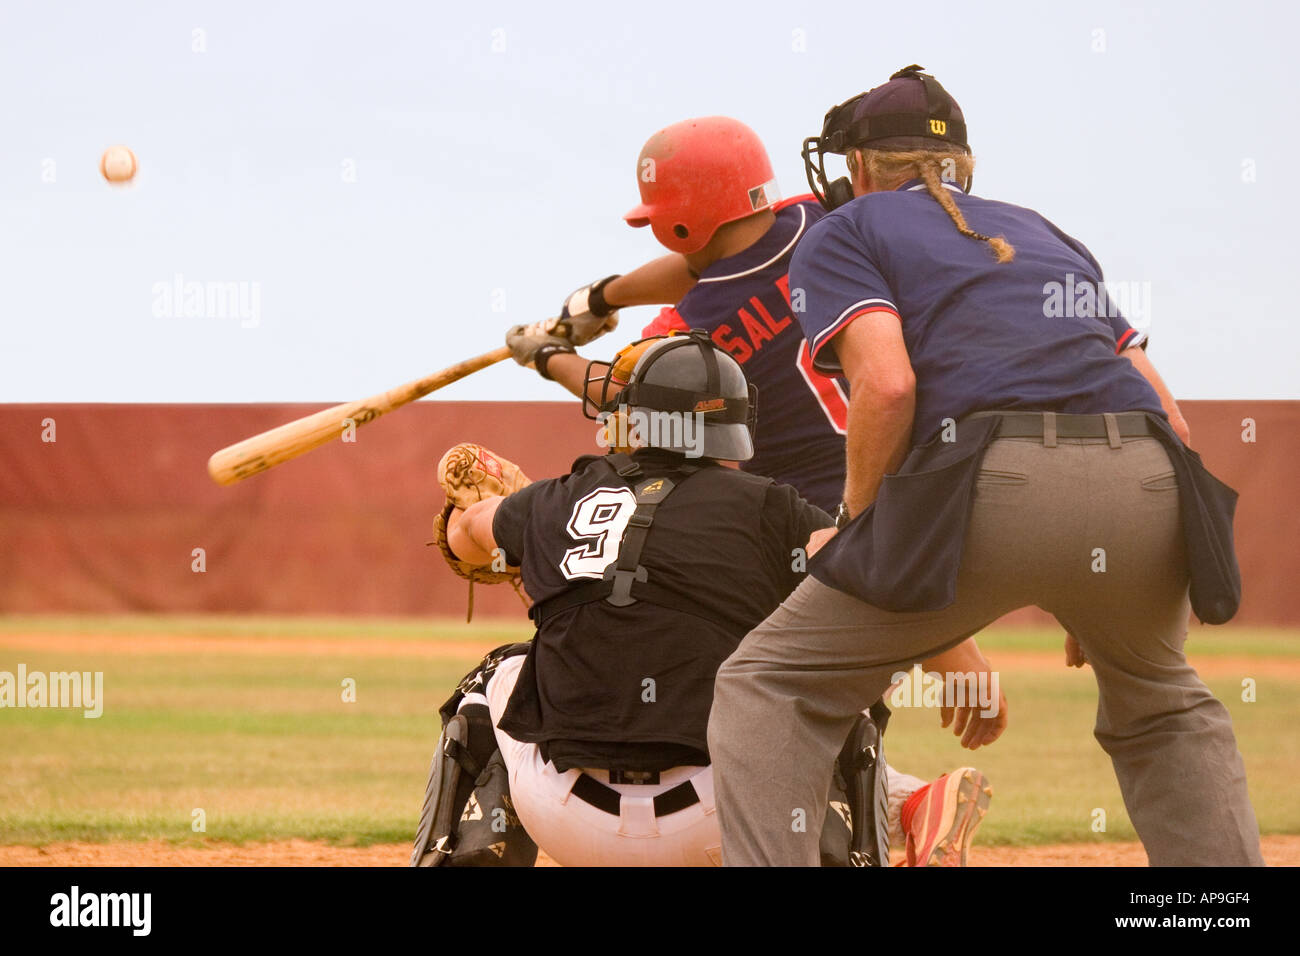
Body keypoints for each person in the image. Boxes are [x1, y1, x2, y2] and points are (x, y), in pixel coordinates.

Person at [705, 65, 1263, 867]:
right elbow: (1169, 416)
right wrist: (1094, 581)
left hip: (990, 480)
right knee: (1164, 709)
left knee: (767, 685)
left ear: (858, 168)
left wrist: (855, 524)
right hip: (1151, 482)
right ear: (962, 165)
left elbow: (888, 384)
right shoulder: (1041, 231)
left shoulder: (846, 231)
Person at [503, 116, 1005, 865]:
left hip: (778, 527)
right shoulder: (814, 219)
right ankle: (899, 801)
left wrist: (547, 354)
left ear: (677, 220)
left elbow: (622, 391)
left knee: (739, 690)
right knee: (832, 689)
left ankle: (872, 822)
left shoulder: (692, 327)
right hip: (887, 497)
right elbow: (708, 257)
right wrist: (604, 296)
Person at [413, 332, 885, 866]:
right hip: (729, 820)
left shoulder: (558, 496)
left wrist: (498, 513)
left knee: (496, 673)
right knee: (839, 677)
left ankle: (463, 856)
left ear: (632, 419)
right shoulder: (774, 508)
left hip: (565, 820)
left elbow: (467, 533)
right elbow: (868, 573)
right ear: (731, 428)